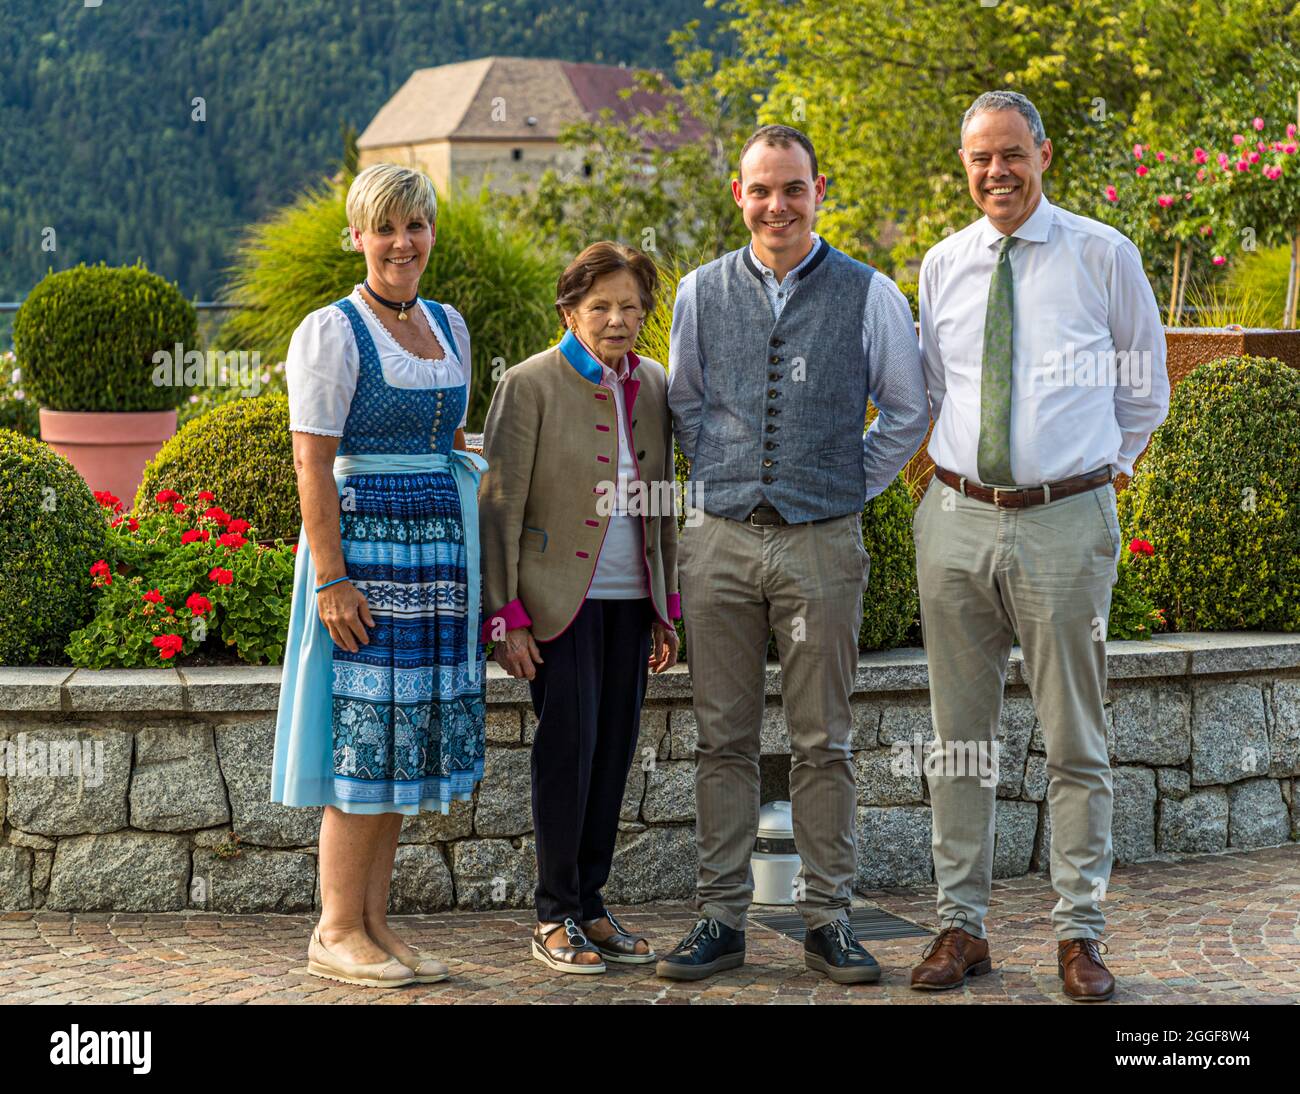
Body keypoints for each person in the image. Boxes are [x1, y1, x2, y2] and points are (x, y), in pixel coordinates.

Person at [908, 90, 1169, 1002]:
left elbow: (1146, 387)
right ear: (965, 165)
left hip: (1067, 519)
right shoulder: (942, 265)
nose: (996, 173)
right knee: (958, 742)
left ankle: (1079, 934)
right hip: (956, 519)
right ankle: (960, 926)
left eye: (1012, 154)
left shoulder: (1103, 255)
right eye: (980, 158)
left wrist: (1100, 476)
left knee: (1075, 738)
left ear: (1043, 155)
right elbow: (933, 391)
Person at [660, 125, 930, 984]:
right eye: (760, 190)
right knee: (721, 739)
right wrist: (723, 485)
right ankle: (719, 919)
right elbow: (687, 405)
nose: (776, 205)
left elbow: (907, 410)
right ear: (737, 195)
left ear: (821, 191)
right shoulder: (700, 292)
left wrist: (848, 483)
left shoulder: (870, 291)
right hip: (721, 542)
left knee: (825, 741)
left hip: (822, 541)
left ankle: (830, 920)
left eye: (792, 188)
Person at [271, 163, 488, 989]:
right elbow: (311, 463)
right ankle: (333, 927)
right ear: (358, 236)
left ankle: (374, 921)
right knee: (364, 736)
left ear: (431, 232)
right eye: (385, 228)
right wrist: (331, 578)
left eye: (416, 226)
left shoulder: (450, 324)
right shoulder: (331, 330)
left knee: (402, 737)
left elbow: (453, 441)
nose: (403, 243)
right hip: (366, 551)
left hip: (436, 551)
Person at [478, 240, 681, 975]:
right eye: (600, 306)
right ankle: (553, 913)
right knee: (567, 754)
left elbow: (661, 505)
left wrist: (667, 604)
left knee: (615, 753)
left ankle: (592, 906)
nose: (617, 319)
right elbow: (498, 505)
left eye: (630, 306)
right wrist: (504, 617)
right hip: (556, 607)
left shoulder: (654, 383)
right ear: (569, 309)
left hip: (632, 604)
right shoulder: (529, 383)